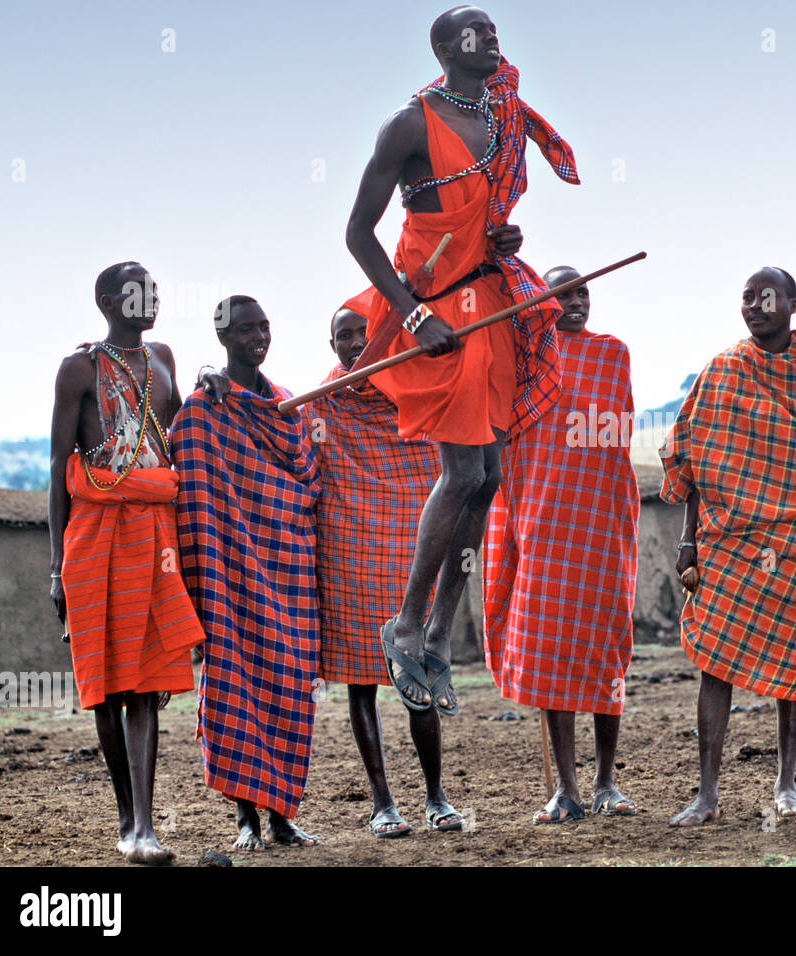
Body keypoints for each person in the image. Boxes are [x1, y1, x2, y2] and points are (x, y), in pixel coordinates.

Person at [344, 5, 578, 723]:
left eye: (494, 27)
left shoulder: (504, 121)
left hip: (486, 301)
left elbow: (485, 218)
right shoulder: (409, 125)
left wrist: (504, 238)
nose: (492, 36)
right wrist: (414, 314)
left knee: (491, 476)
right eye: (474, 30)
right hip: (430, 310)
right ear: (445, 48)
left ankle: (442, 631)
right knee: (462, 472)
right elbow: (358, 235)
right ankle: (405, 623)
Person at [661, 267, 796, 826]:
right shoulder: (723, 372)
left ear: (794, 306)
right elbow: (693, 461)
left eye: (767, 297)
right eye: (747, 298)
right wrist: (688, 543)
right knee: (714, 662)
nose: (754, 306)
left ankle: (785, 784)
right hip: (730, 541)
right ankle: (706, 793)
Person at [48, 261, 204, 864]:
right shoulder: (78, 369)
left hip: (156, 536)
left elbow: (187, 434)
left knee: (147, 684)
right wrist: (56, 568)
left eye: (157, 290)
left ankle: (146, 826)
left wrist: (213, 383)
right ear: (109, 301)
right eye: (139, 292)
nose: (153, 299)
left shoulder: (164, 358)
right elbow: (59, 469)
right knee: (107, 686)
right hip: (92, 538)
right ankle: (125, 818)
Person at [483, 266, 640, 824]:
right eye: (562, 294)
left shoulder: (612, 354)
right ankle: (567, 789)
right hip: (541, 520)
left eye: (583, 293)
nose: (575, 302)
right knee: (550, 650)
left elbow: (613, 440)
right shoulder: (525, 358)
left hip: (601, 520)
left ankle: (606, 782)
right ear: (541, 303)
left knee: (606, 649)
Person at [304, 295, 462, 834]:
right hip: (349, 553)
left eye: (362, 333)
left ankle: (437, 796)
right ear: (331, 346)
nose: (354, 344)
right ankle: (381, 802)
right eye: (343, 336)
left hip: (406, 551)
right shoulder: (321, 403)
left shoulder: (413, 388)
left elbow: (444, 460)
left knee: (413, 666)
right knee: (358, 683)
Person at [173, 296, 321, 850]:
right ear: (223, 337)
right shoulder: (202, 410)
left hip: (288, 569)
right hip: (230, 576)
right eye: (245, 330)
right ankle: (245, 820)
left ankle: (282, 815)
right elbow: (192, 484)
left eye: (264, 327)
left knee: (288, 687)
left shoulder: (284, 404)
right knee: (235, 685)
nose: (258, 337)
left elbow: (306, 475)